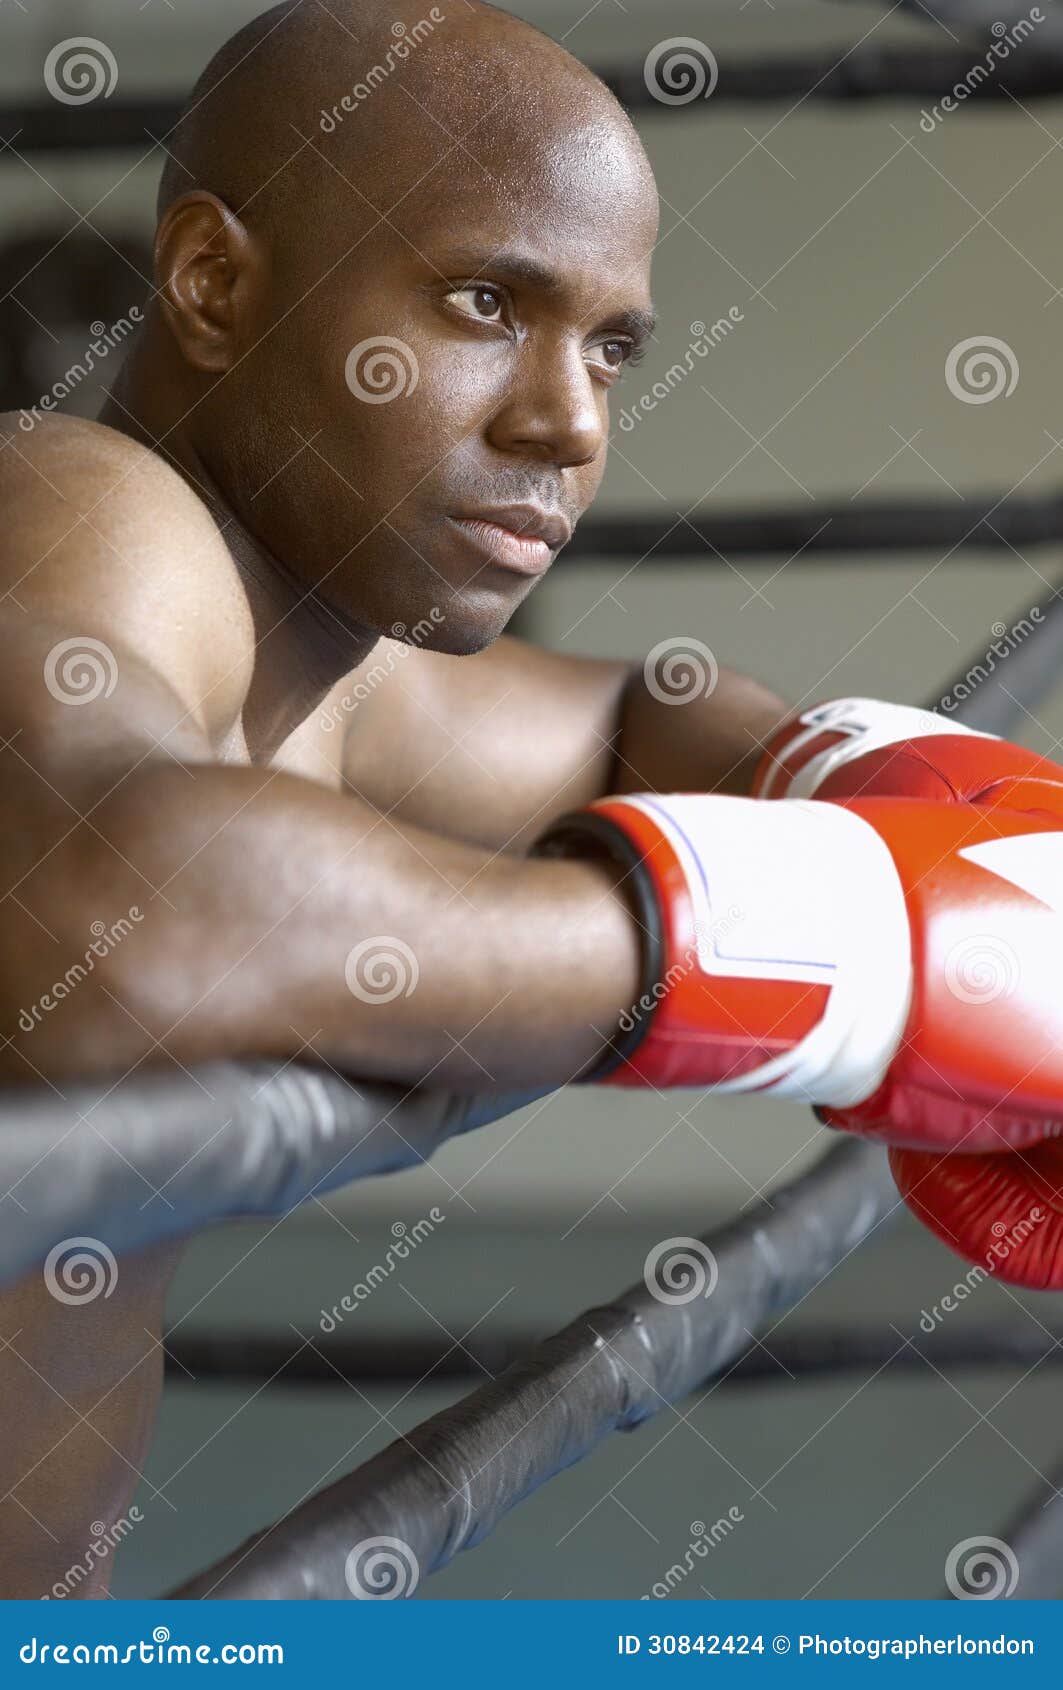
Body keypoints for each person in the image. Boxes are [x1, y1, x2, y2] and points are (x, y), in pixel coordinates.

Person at [1, 0, 1060, 1598]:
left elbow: (637, 715)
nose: (569, 421)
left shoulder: (333, 664)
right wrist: (850, 960)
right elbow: (118, 906)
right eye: (486, 301)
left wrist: (894, 797)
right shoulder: (79, 506)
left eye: (613, 345)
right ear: (214, 281)